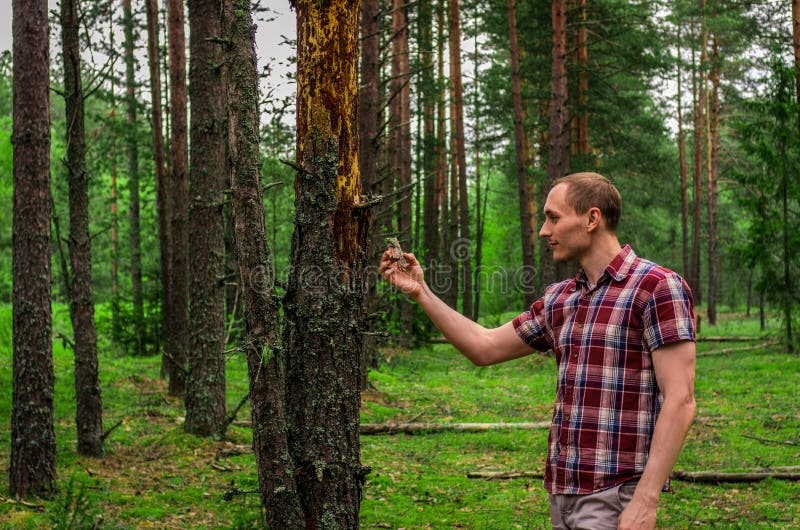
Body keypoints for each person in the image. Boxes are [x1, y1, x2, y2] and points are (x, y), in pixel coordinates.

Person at [379, 172, 696, 530]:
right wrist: (421, 292)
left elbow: (680, 399)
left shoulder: (657, 288)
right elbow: (484, 346)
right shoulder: (561, 298)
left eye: (553, 217)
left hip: (616, 495)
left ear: (592, 218)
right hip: (562, 494)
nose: (544, 231)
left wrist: (645, 499)